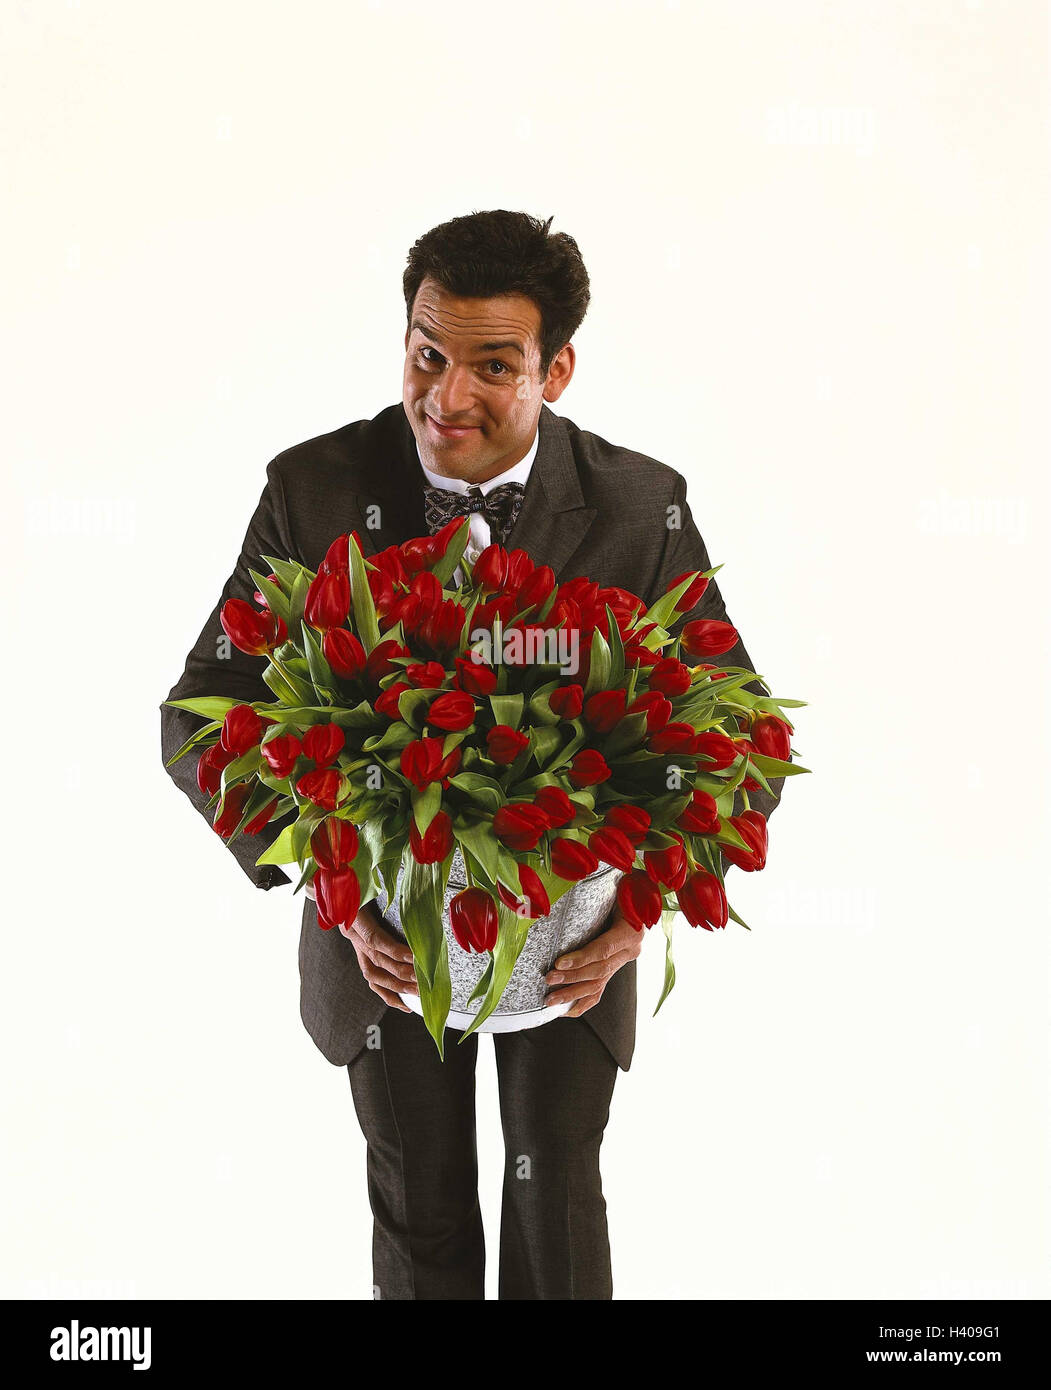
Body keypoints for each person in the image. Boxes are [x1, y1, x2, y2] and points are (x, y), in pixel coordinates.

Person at [160, 210, 784, 1299]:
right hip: (384, 945)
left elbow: (740, 724)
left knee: (557, 1201)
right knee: (422, 1204)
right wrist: (334, 880)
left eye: (493, 366)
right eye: (426, 354)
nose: (446, 398)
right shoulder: (312, 490)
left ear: (558, 369)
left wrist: (642, 906)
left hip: (573, 946)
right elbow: (202, 713)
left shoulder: (642, 507)